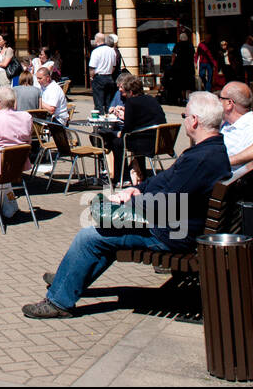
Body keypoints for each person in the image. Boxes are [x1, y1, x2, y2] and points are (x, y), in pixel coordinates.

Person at [24, 91, 232, 318]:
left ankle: (58, 301)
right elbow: (166, 180)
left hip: (173, 233)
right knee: (104, 232)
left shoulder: (199, 159)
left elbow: (169, 202)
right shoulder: (212, 150)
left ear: (194, 121)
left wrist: (131, 204)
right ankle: (69, 277)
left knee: (91, 236)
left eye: (185, 115)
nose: (183, 119)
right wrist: (137, 189)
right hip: (181, 225)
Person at [109, 73, 166, 184]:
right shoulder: (152, 99)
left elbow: (127, 129)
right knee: (129, 139)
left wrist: (118, 133)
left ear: (130, 92)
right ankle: (139, 172)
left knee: (116, 142)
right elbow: (146, 118)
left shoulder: (131, 102)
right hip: (160, 141)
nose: (123, 95)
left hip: (145, 143)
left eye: (124, 92)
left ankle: (122, 177)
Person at [218, 81, 253, 170]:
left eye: (221, 98)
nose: (218, 101)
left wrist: (225, 161)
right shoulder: (232, 123)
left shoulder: (249, 125)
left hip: (230, 181)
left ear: (229, 103)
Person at [88, 33, 117, 112]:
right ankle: (109, 118)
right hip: (109, 77)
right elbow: (114, 66)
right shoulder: (112, 51)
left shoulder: (96, 51)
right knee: (109, 102)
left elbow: (92, 68)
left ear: (97, 40)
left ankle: (100, 120)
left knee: (99, 103)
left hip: (99, 77)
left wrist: (91, 77)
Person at [167, 30, 196, 105]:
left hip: (179, 67)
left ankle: (183, 99)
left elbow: (173, 55)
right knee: (189, 84)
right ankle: (188, 99)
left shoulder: (178, 45)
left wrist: (172, 64)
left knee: (181, 84)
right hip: (189, 66)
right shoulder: (190, 45)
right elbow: (193, 55)